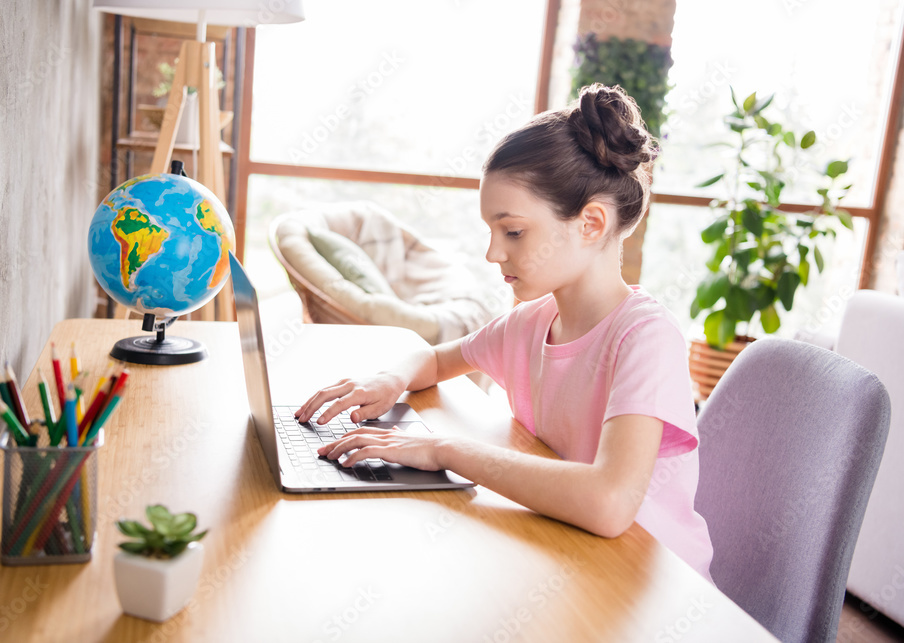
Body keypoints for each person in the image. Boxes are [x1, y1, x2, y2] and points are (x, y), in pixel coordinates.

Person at [295, 83, 714, 582]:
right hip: (567, 555)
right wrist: (388, 380)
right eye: (491, 233)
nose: (493, 254)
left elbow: (609, 503)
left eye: (512, 231)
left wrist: (444, 451)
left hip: (649, 583)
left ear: (591, 224)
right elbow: (431, 360)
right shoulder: (533, 322)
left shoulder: (645, 339)